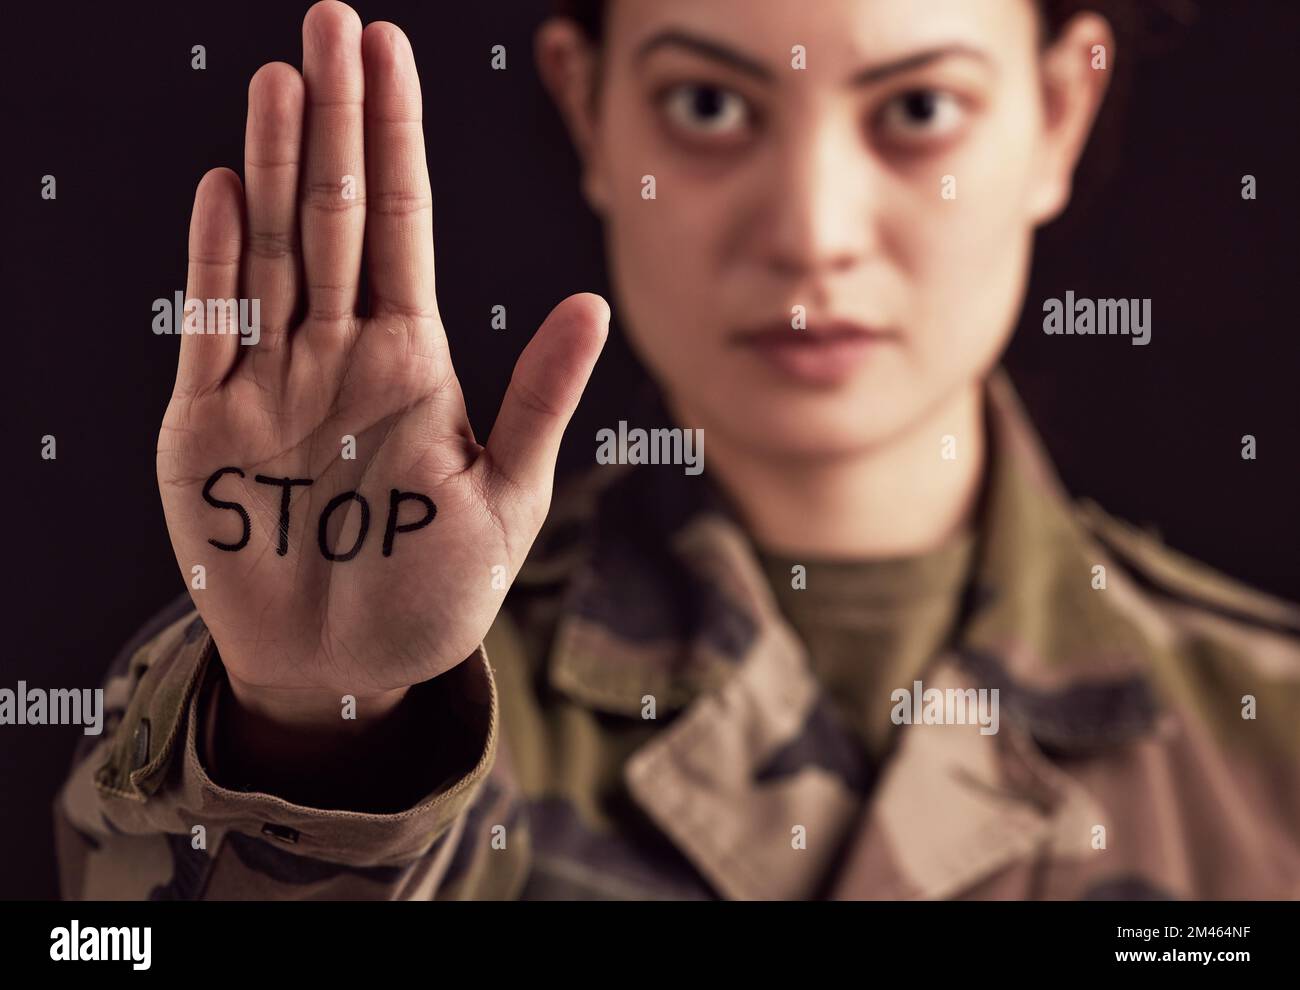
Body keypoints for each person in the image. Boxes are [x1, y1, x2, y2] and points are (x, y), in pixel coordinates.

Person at [55, 0, 1300, 900]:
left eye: (918, 109)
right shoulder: (385, 706)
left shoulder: (1275, 748)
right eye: (708, 104)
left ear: (1059, 109)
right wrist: (316, 737)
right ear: (587, 107)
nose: (811, 231)